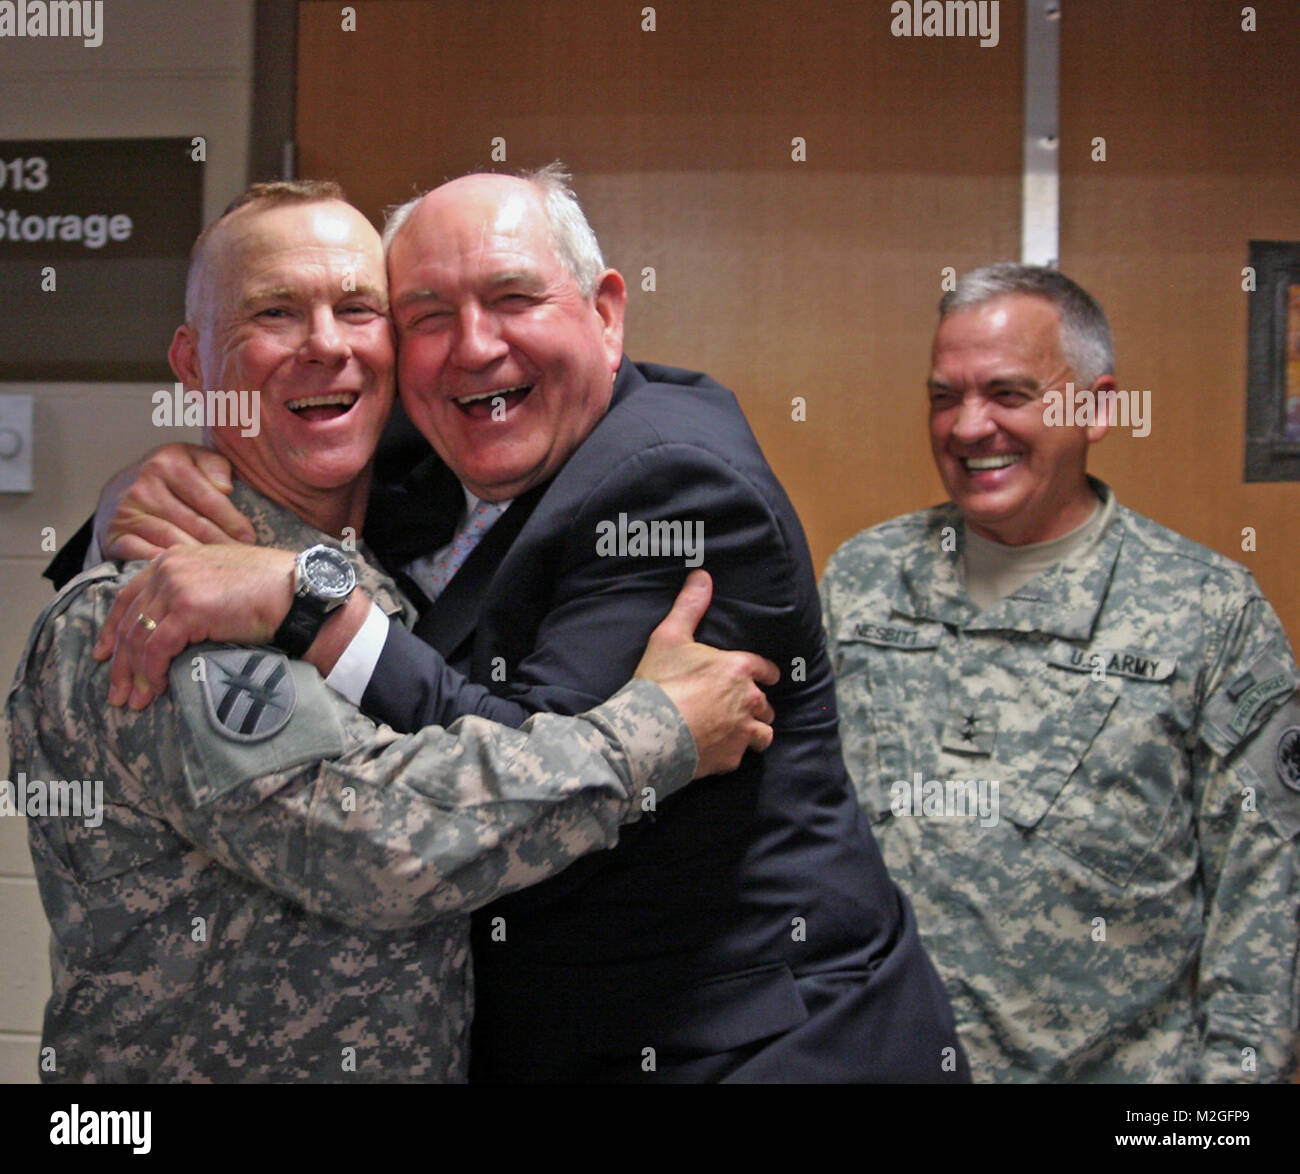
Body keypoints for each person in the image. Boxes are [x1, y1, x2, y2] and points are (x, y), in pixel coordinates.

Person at [70, 166, 966, 1083]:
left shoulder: (671, 492)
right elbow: (283, 448)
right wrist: (128, 506)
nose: (473, 347)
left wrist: (309, 602)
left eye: (512, 297)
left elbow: (524, 769)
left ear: (606, 314)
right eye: (424, 315)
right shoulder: (433, 443)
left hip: (751, 1047)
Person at [820, 263, 1300, 1083]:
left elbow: (1266, 899)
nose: (970, 427)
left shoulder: (1209, 611)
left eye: (1008, 394)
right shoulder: (865, 581)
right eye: (945, 396)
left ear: (1098, 408)